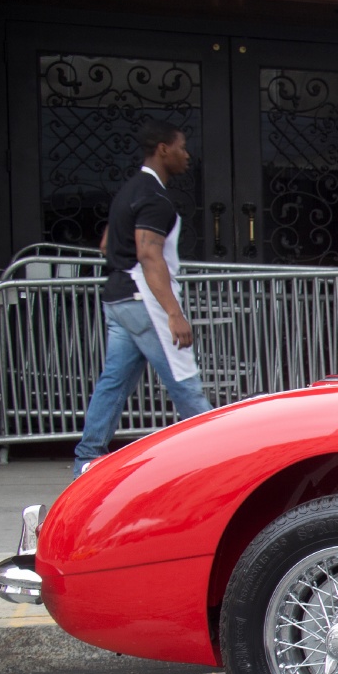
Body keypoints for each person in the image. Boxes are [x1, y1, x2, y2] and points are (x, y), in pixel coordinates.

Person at [73, 118, 211, 475]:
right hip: (144, 300)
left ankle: (86, 460)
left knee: (113, 382)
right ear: (163, 150)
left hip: (118, 299)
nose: (187, 155)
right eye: (181, 147)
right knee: (185, 384)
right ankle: (221, 462)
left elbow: (107, 244)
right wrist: (174, 313)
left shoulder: (128, 191)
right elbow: (149, 254)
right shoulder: (155, 198)